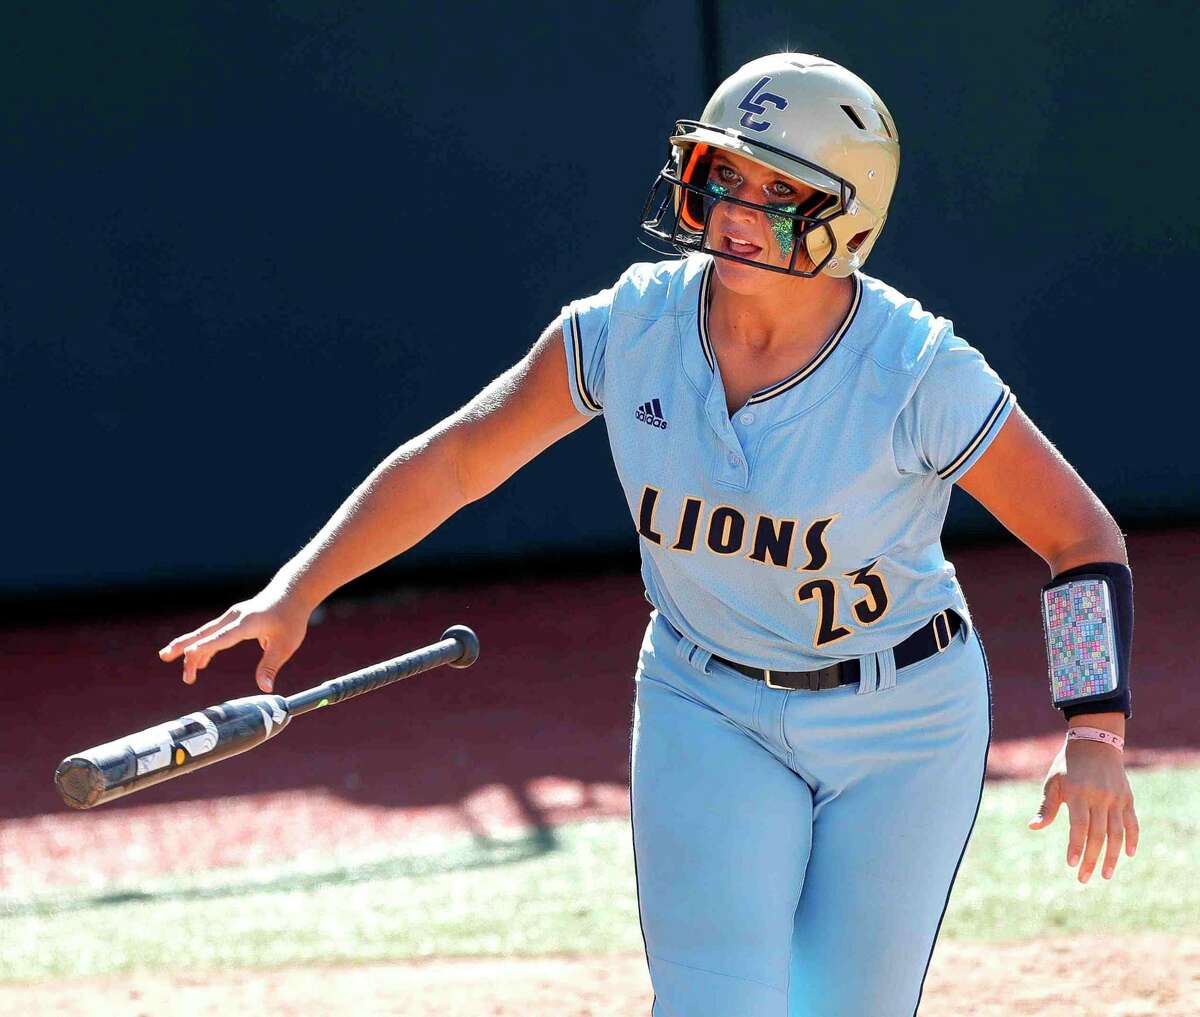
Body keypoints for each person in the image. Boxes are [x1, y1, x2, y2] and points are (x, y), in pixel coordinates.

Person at [159, 52, 1138, 1017]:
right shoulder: (628, 328)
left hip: (905, 723)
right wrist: (297, 587)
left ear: (853, 221)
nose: (738, 211)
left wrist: (1093, 729)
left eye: (781, 189)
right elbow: (457, 460)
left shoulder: (918, 369)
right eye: (724, 176)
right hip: (705, 704)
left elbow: (1080, 538)